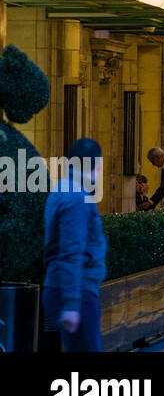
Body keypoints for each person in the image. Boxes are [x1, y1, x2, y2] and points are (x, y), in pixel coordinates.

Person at [43, 137, 107, 352]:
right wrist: (71, 304)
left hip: (66, 288)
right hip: (76, 292)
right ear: (97, 164)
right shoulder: (77, 197)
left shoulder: (64, 188)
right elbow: (71, 251)